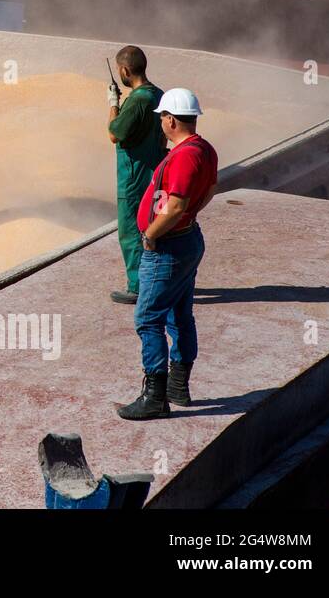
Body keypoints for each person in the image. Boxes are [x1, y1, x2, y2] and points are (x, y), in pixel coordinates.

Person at [118, 88, 219, 421]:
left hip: (168, 248)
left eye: (162, 116)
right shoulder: (203, 149)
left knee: (148, 319)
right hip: (186, 241)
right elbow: (208, 192)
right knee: (179, 314)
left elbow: (175, 205)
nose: (161, 121)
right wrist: (187, 217)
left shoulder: (185, 156)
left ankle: (155, 397)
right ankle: (178, 387)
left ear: (172, 120)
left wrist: (151, 233)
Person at [105, 46, 166, 305]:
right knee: (154, 229)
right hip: (156, 172)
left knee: (131, 231)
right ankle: (159, 281)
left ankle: (137, 287)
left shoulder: (138, 100)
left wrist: (113, 103)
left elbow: (113, 133)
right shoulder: (158, 94)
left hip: (133, 177)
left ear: (124, 70)